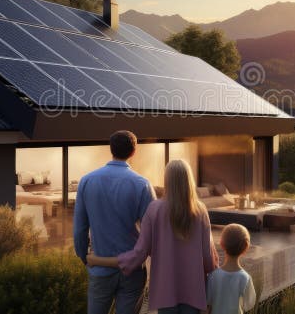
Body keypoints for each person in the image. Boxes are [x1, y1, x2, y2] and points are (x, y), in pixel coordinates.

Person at [87, 159, 219, 314]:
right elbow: (208, 257)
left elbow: (139, 254)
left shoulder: (154, 210)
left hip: (165, 291)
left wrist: (98, 260)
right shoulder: (200, 211)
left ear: (167, 181)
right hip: (194, 290)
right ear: (189, 180)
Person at [74, 130, 155, 314]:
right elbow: (151, 232)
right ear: (134, 152)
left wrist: (85, 258)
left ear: (110, 149)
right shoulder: (142, 184)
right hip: (132, 271)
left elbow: (80, 229)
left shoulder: (86, 181)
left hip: (100, 266)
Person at [206, 224, 256, 314]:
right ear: (245, 248)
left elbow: (208, 302)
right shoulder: (245, 278)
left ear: (222, 244)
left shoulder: (213, 276)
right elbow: (249, 304)